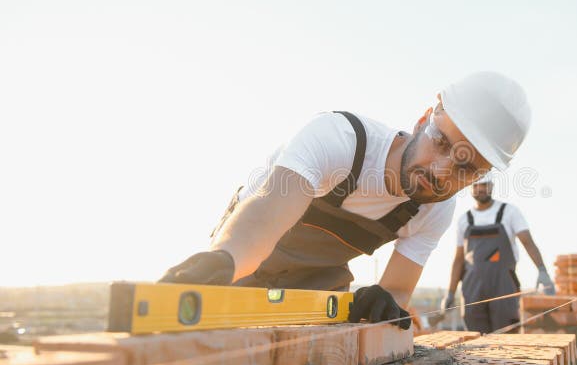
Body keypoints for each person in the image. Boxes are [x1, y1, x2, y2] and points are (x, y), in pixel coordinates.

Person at [159, 72, 532, 329]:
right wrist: (224, 261)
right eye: (441, 142)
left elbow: (398, 288)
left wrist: (383, 304)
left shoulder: (435, 209)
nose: (439, 172)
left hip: (318, 282)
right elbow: (264, 218)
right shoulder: (339, 139)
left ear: (481, 177)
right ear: (423, 119)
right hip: (244, 255)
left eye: (465, 169)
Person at [443, 173, 555, 334]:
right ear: (470, 188)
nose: (480, 189)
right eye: (475, 185)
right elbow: (459, 259)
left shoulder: (509, 212)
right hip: (472, 288)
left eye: (484, 185)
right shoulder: (464, 220)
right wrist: (450, 292)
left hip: (504, 286)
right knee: (477, 341)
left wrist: (542, 270)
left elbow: (528, 242)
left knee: (507, 336)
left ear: (492, 186)